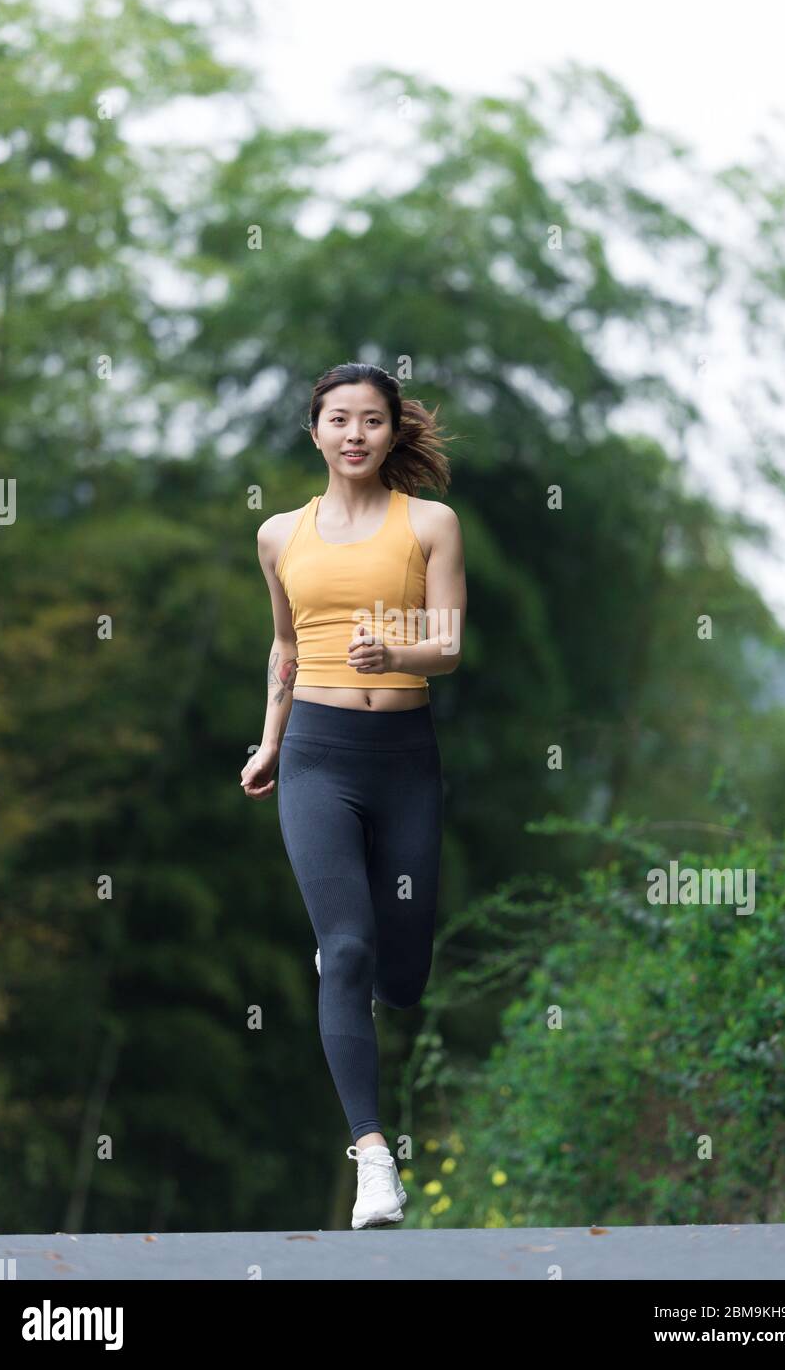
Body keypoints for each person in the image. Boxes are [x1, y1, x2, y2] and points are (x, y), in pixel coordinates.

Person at [240, 361, 466, 1229]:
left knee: (402, 974)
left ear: (391, 430)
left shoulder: (431, 525)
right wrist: (268, 744)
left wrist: (397, 656)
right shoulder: (278, 536)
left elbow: (444, 640)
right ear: (315, 432)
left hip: (404, 757)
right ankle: (375, 1160)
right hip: (316, 758)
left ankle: (371, 970)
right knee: (347, 948)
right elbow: (284, 647)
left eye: (371, 420)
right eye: (339, 420)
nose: (355, 434)